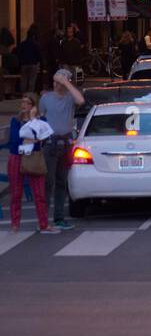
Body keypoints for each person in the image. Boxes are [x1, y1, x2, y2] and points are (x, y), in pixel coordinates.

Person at [38, 68, 85, 231]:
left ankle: (59, 218)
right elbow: (39, 117)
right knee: (47, 182)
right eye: (55, 81)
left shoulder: (70, 97)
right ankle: (43, 219)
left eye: (60, 81)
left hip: (65, 143)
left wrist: (67, 83)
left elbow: (81, 101)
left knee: (61, 182)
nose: (56, 84)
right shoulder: (46, 98)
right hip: (50, 143)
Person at [4, 94, 58, 234]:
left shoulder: (41, 120)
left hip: (34, 157)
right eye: (22, 102)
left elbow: (44, 137)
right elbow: (16, 139)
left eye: (28, 103)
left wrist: (34, 120)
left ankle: (44, 224)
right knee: (16, 193)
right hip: (17, 157)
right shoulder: (15, 120)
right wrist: (33, 138)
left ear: (34, 106)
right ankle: (15, 224)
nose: (24, 105)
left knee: (39, 193)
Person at [16, 25, 42, 94]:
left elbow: (19, 54)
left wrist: (21, 62)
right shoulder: (36, 44)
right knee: (32, 80)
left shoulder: (22, 44)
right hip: (33, 64)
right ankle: (30, 94)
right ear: (33, 36)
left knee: (24, 79)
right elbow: (39, 55)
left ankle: (23, 93)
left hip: (24, 64)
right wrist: (39, 62)